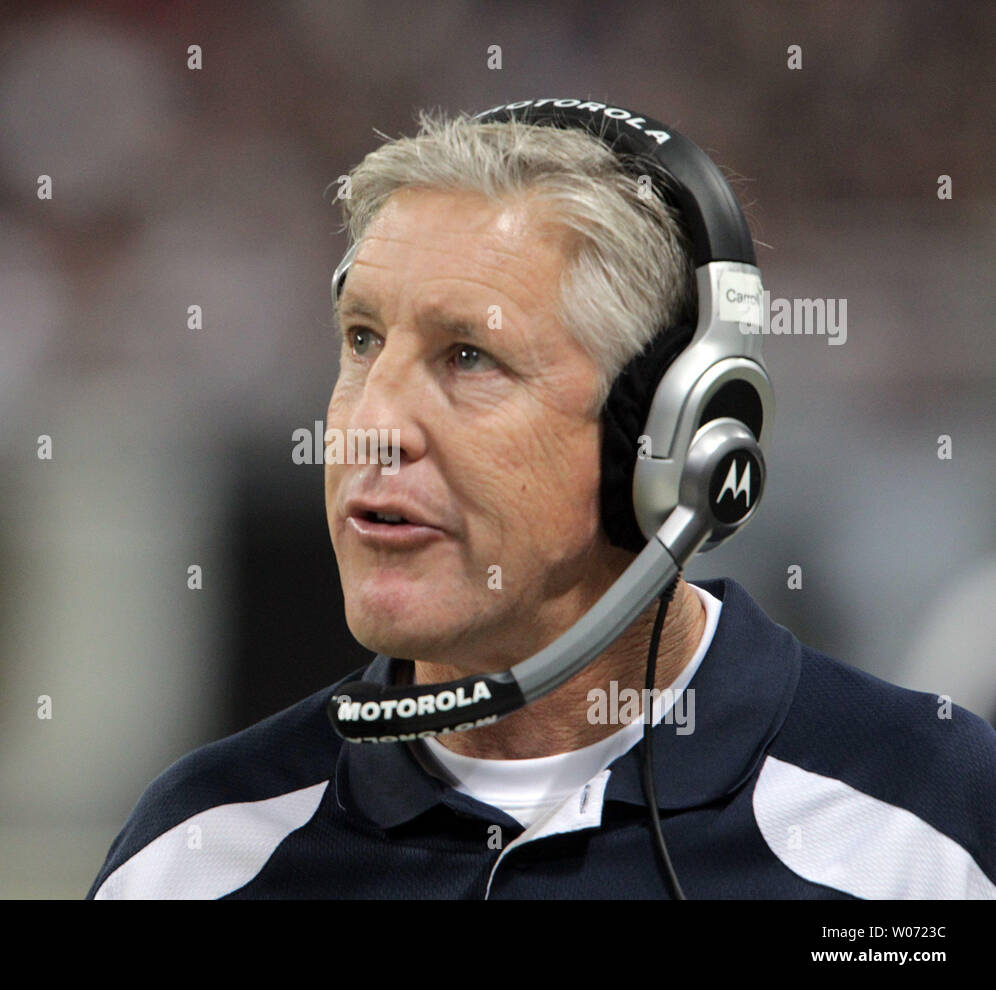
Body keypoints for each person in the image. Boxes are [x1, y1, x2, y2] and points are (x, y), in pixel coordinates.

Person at [87, 102, 996, 899]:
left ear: (667, 437)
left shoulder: (928, 820)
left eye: (468, 357)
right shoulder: (195, 855)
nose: (370, 427)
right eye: (362, 340)